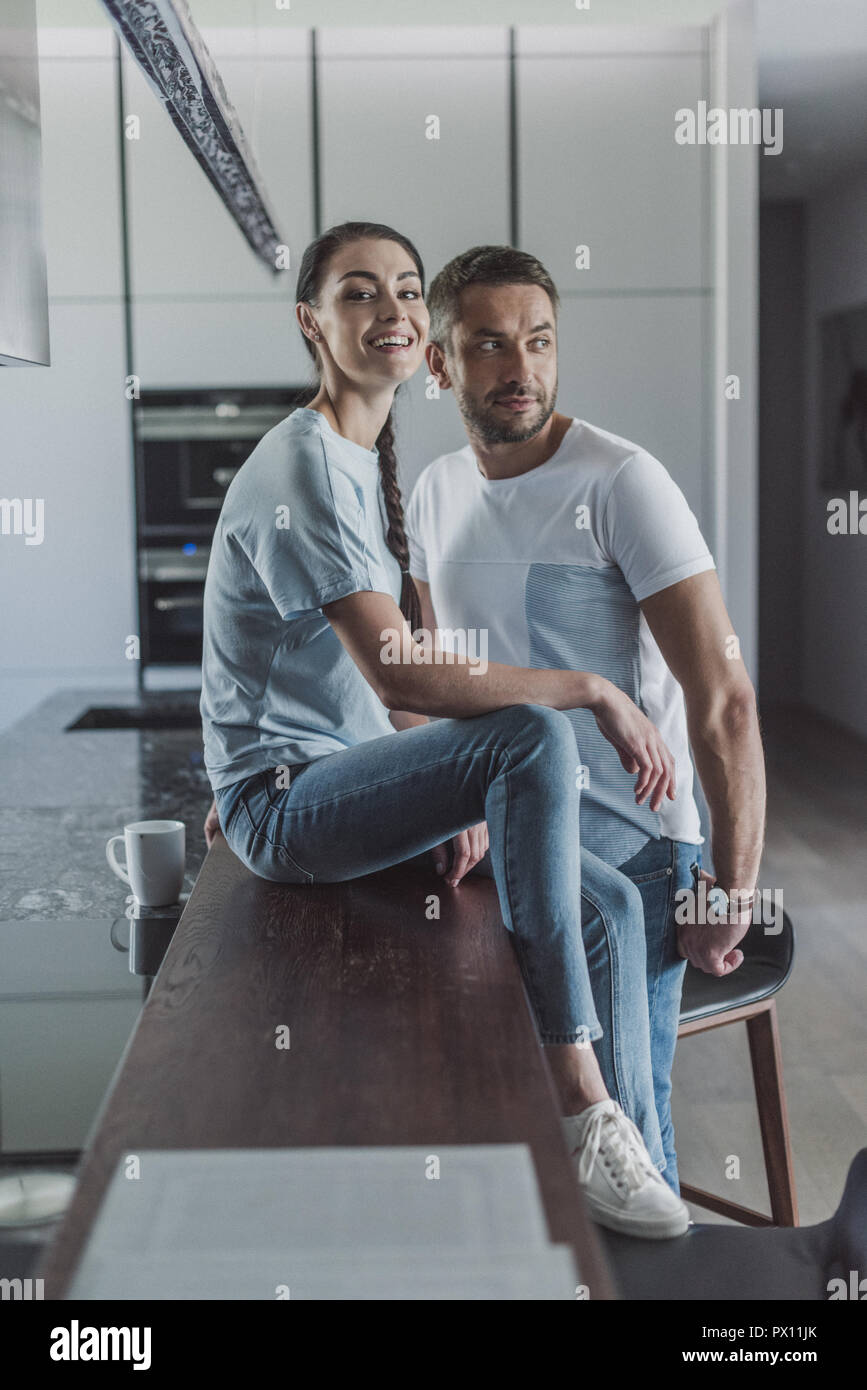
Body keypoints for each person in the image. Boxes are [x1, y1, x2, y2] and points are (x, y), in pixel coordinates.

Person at [200, 220, 691, 1238]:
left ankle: (642, 1185)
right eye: (359, 293)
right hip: (288, 807)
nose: (391, 310)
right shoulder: (305, 469)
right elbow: (396, 664)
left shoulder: (358, 455)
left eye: (407, 289)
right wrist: (591, 691)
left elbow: (355, 681)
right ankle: (582, 1109)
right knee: (532, 736)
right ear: (311, 321)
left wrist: (435, 780)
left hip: (339, 782)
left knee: (613, 911)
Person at [404, 244, 767, 1197]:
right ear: (438, 363)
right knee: (519, 1134)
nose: (519, 368)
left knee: (627, 1153)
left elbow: (724, 699)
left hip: (634, 863)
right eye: (487, 345)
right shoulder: (434, 492)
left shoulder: (621, 482)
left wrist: (725, 886)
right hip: (500, 858)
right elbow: (430, 684)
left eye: (538, 340)